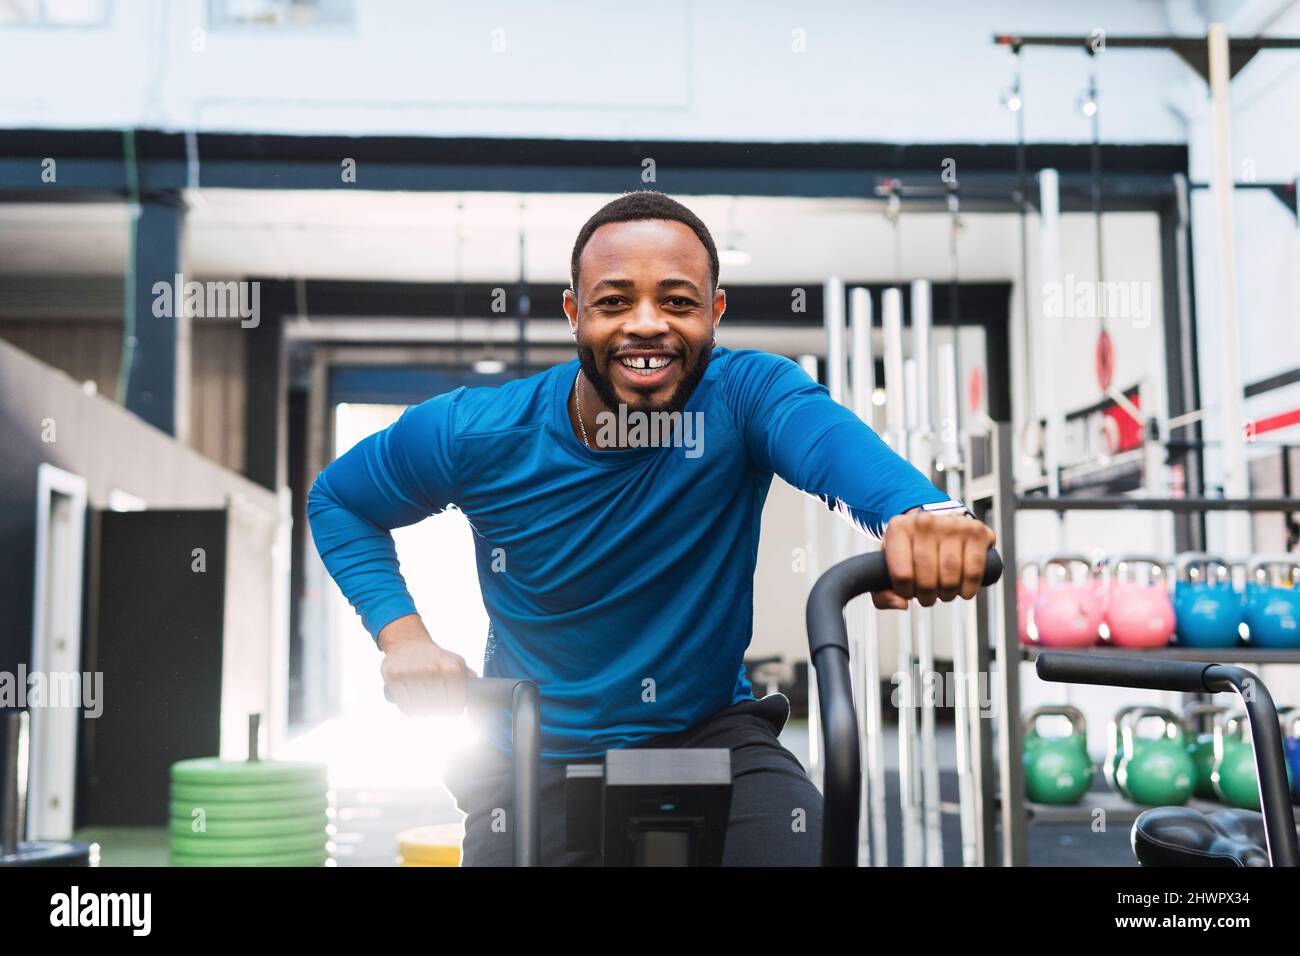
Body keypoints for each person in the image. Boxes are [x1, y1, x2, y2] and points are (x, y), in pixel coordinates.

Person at [307, 190, 996, 866]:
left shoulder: (748, 394)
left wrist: (927, 518)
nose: (645, 324)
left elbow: (847, 461)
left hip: (709, 732)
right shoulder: (476, 431)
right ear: (574, 313)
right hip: (532, 745)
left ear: (714, 313)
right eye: (613, 302)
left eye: (677, 301)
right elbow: (339, 501)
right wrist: (403, 639)